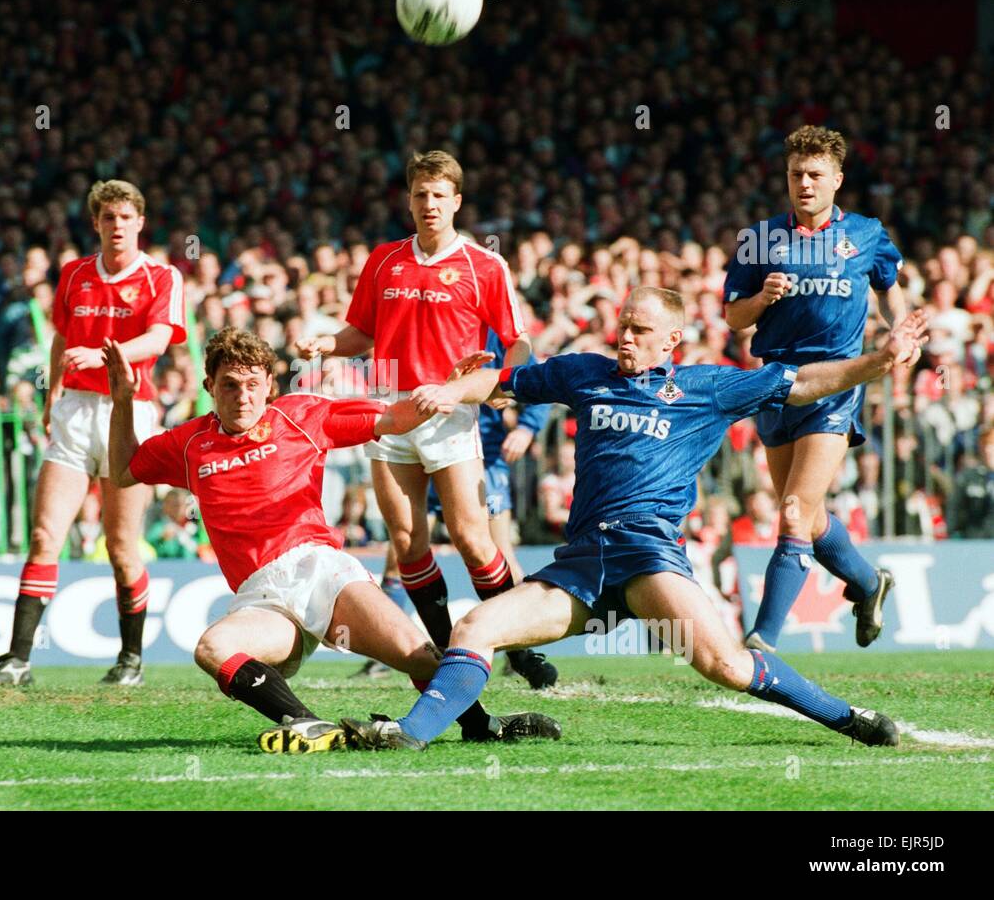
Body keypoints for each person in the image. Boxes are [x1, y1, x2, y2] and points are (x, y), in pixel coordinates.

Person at [340, 288, 928, 750]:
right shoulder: (585, 372)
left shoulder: (706, 387)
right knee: (474, 630)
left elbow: (800, 382)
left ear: (671, 339)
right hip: (582, 564)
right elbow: (501, 379)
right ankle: (406, 734)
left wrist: (877, 362)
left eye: (640, 330)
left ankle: (851, 719)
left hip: (648, 559)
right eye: (623, 324)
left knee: (725, 664)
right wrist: (453, 388)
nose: (625, 336)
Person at [104, 327, 557, 753]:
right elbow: (124, 471)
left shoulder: (302, 415)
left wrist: (450, 392)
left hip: (320, 571)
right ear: (209, 386)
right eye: (229, 385)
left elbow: (395, 419)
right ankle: (308, 725)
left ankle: (484, 727)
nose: (242, 397)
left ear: (269, 386)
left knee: (418, 657)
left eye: (251, 384)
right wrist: (122, 401)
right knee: (212, 649)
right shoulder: (188, 443)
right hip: (262, 598)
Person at [294, 151, 557, 709]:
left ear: (457, 201)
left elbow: (520, 344)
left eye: (439, 195)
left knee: (470, 535)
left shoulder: (485, 266)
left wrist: (493, 378)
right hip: (388, 412)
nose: (429, 204)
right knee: (408, 544)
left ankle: (514, 646)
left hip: (449, 412)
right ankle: (447, 654)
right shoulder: (385, 260)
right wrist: (325, 344)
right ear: (409, 199)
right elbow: (360, 333)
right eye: (420, 194)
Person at [0, 180, 185, 687]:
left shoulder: (162, 277)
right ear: (95, 223)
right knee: (44, 535)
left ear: (140, 222)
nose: (116, 226)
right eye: (107, 218)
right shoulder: (74, 274)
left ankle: (131, 659)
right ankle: (18, 659)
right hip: (75, 411)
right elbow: (60, 337)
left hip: (129, 410)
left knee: (121, 546)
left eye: (125, 217)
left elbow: (160, 338)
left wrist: (102, 355)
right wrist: (52, 394)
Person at [723, 125, 913, 651]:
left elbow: (890, 287)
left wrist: (898, 331)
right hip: (775, 384)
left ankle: (762, 637)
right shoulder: (759, 239)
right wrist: (762, 298)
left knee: (790, 513)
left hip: (835, 384)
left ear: (837, 179)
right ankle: (871, 583)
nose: (803, 183)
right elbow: (733, 317)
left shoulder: (868, 233)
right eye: (795, 174)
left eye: (814, 174)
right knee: (804, 511)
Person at [427, 327, 555, 687]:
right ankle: (434, 652)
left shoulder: (499, 335)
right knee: (405, 550)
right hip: (428, 448)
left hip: (484, 460)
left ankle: (519, 651)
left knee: (498, 551)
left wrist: (527, 428)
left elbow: (538, 379)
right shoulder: (430, 320)